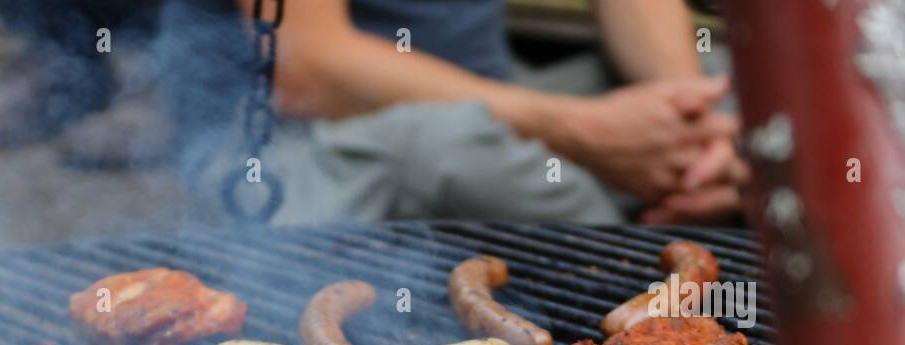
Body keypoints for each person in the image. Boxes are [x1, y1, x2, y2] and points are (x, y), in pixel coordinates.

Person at [201, 0, 747, 225]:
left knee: (747, 90)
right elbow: (306, 67)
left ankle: (680, 197)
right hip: (287, 136)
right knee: (464, 150)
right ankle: (640, 289)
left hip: (495, 90)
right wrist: (582, 131)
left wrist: (690, 117)